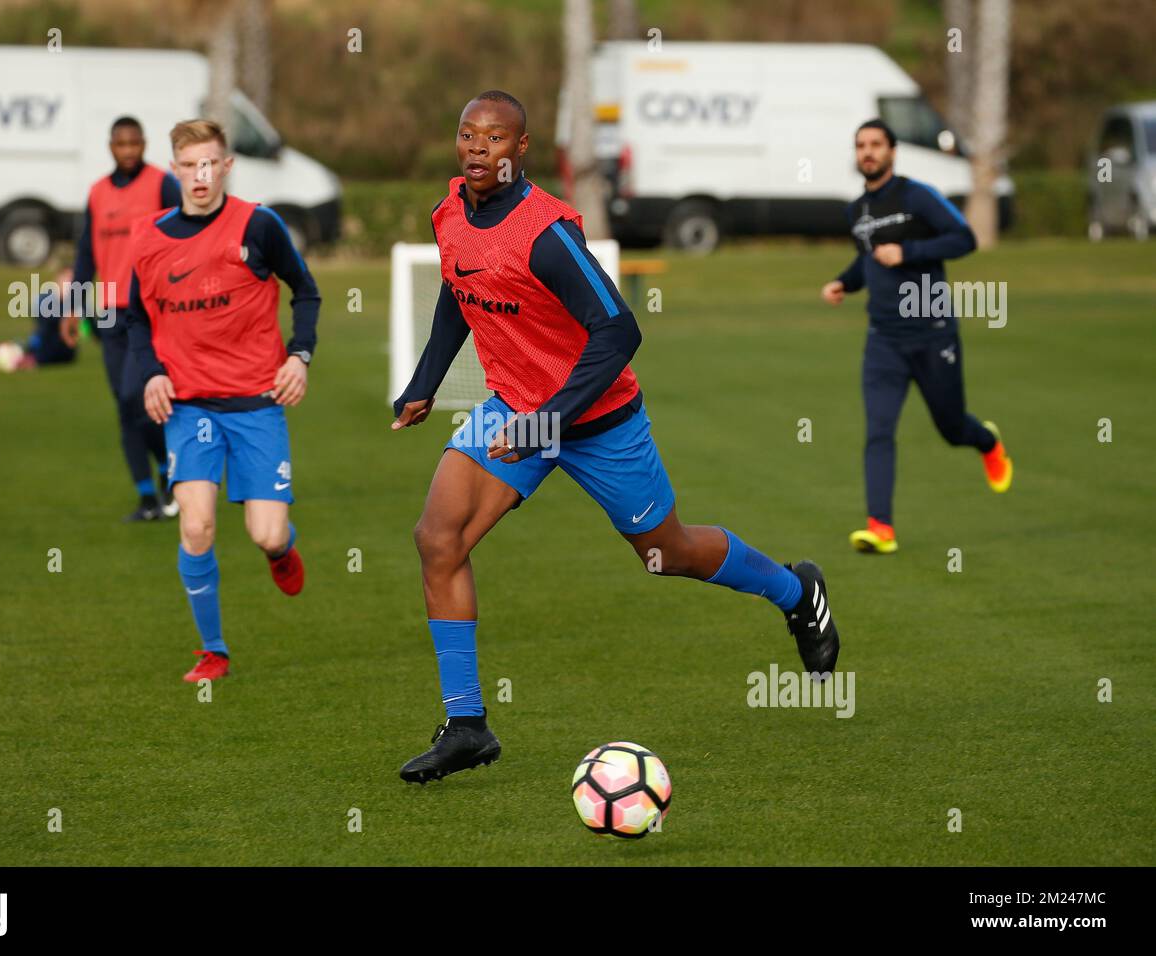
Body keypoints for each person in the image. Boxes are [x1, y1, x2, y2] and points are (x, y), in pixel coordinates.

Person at [390, 91, 840, 784]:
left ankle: (794, 590)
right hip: (514, 411)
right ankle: (467, 726)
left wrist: (551, 419)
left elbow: (620, 331)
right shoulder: (450, 211)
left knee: (670, 553)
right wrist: (426, 380)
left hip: (598, 421)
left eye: (495, 138)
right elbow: (458, 288)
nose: (478, 148)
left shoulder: (546, 234)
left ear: (521, 150)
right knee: (436, 537)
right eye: (467, 134)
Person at [125, 119, 321, 683]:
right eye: (189, 165)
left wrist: (298, 356)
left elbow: (305, 290)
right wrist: (152, 375)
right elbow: (136, 317)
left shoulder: (260, 225)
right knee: (197, 528)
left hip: (257, 402)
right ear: (175, 170)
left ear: (227, 165)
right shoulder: (149, 237)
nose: (201, 175)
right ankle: (213, 650)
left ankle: (282, 547)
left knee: (266, 533)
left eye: (211, 163)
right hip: (188, 406)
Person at [820, 119, 1012, 555]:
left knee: (950, 427)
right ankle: (880, 528)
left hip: (932, 333)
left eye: (875, 144)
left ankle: (988, 442)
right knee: (879, 430)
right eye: (861, 145)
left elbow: (964, 239)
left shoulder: (916, 196)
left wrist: (909, 252)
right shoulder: (857, 213)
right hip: (883, 341)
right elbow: (867, 262)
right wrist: (843, 283)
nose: (867, 152)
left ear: (892, 151)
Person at [61, 116, 183, 522]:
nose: (128, 151)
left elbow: (182, 239)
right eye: (121, 144)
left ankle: (171, 473)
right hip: (108, 314)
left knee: (139, 397)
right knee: (124, 407)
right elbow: (85, 254)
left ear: (144, 144)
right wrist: (73, 307)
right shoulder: (97, 193)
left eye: (135, 143)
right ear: (111, 146)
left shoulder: (162, 184)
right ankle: (148, 496)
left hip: (150, 312)